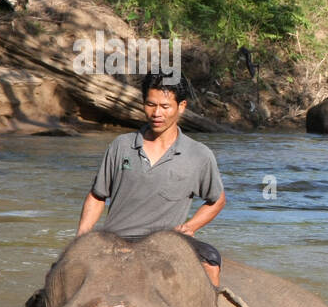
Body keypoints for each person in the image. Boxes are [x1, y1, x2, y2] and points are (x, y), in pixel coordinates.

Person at [77, 72, 226, 286]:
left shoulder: (199, 155)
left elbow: (217, 199)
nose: (156, 113)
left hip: (166, 243)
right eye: (150, 104)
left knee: (211, 261)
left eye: (165, 107)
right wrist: (82, 237)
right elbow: (97, 195)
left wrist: (190, 226)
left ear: (181, 106)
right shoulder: (121, 146)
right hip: (115, 239)